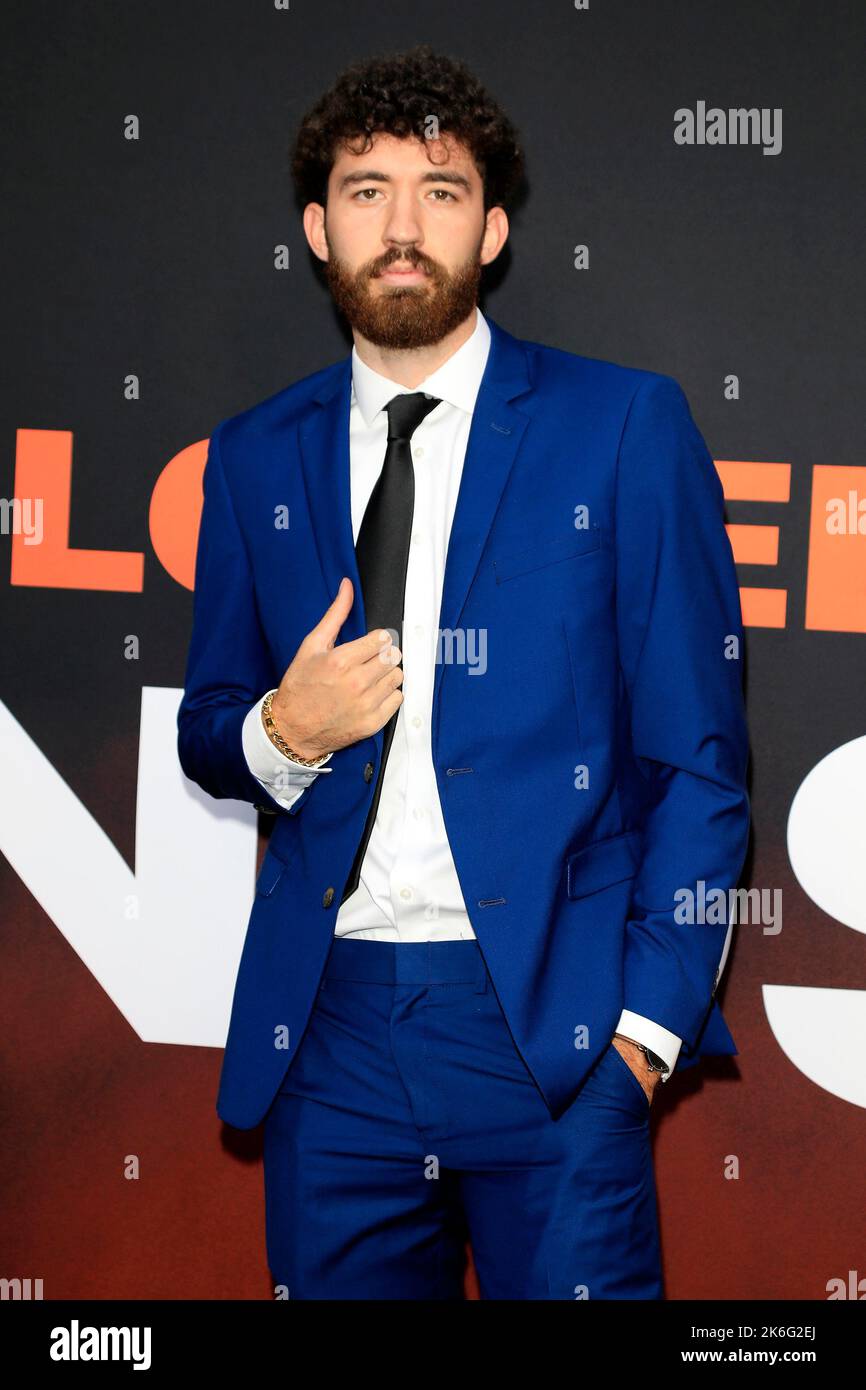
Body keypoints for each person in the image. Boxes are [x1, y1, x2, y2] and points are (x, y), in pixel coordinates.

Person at [177, 43, 750, 1300]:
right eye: (365, 187)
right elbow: (209, 724)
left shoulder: (620, 426)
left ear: (489, 231)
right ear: (317, 230)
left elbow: (697, 763)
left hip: (553, 1033)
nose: (400, 223)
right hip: (330, 1037)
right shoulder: (251, 457)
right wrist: (285, 726)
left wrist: (643, 1039)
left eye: (437, 190)